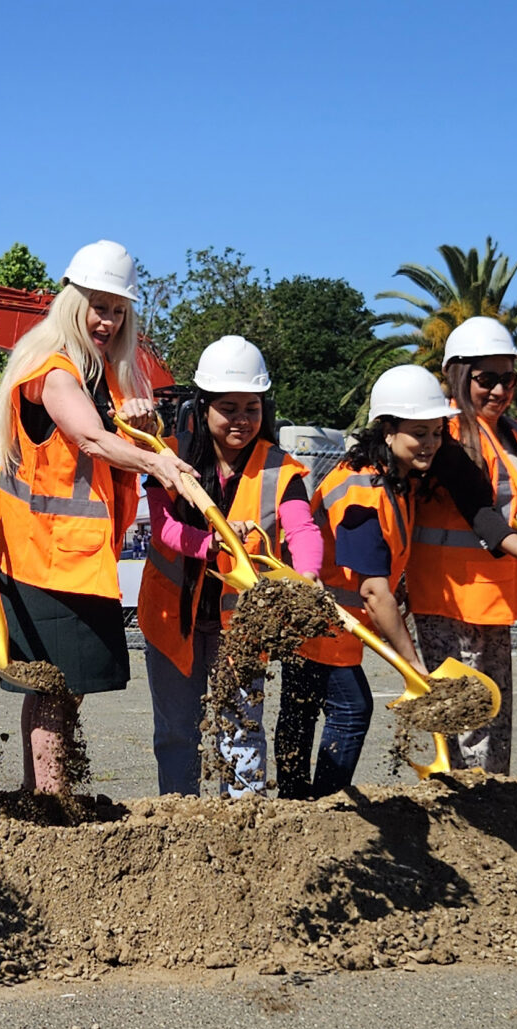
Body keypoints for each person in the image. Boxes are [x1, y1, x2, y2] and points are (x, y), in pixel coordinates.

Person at [0, 240, 193, 793]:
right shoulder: (53, 372)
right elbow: (90, 439)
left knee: (57, 692)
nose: (107, 320)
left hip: (71, 561)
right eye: (99, 306)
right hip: (49, 563)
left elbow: (109, 446)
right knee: (54, 690)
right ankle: (51, 801)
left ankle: (46, 797)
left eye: (118, 310)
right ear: (71, 300)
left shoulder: (96, 376)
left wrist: (145, 428)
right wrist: (161, 462)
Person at [138, 335, 322, 797]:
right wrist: (211, 542)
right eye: (229, 407)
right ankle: (180, 819)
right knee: (177, 733)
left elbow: (302, 530)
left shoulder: (281, 469)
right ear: (203, 407)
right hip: (172, 621)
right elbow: (163, 529)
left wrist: (308, 577)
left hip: (239, 626)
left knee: (240, 731)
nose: (242, 419)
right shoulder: (167, 454)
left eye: (252, 408)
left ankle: (245, 819)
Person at [283, 365, 469, 798]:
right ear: (388, 431)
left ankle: (296, 801)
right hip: (321, 621)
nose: (430, 443)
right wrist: (414, 665)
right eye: (419, 433)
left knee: (301, 713)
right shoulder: (362, 490)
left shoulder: (393, 481)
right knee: (350, 709)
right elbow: (372, 590)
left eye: (436, 433)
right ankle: (323, 802)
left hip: (328, 623)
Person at [408, 316, 517, 774]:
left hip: (497, 592)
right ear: (459, 375)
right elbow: (477, 510)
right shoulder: (445, 435)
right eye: (486, 379)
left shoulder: (511, 433)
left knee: (494, 715)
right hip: (450, 594)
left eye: (508, 379)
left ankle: (492, 801)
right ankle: (463, 802)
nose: (499, 390)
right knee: (464, 713)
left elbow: (509, 504)